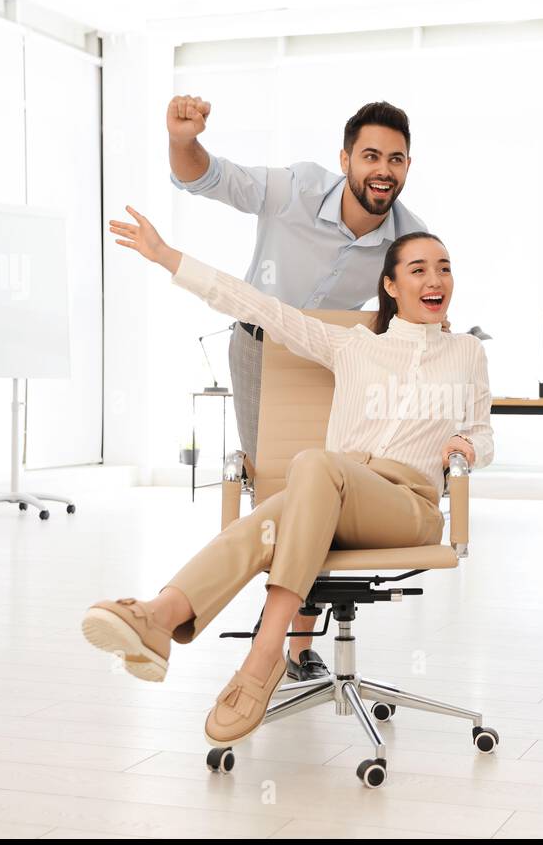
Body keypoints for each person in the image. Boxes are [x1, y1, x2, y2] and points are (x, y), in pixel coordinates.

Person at [83, 209, 493, 748]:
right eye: (417, 270)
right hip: (325, 498)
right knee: (286, 504)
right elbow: (257, 307)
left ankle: (260, 648)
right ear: (390, 286)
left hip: (406, 507)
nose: (435, 279)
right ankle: (162, 619)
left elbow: (482, 434)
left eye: (444, 268)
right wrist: (167, 258)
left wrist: (468, 446)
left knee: (312, 466)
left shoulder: (466, 350)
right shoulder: (353, 346)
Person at [167, 96, 427, 682]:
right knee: (275, 485)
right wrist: (184, 140)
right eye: (370, 156)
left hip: (331, 359)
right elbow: (206, 177)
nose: (383, 169)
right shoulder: (294, 189)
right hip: (261, 347)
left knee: (324, 491)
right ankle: (274, 631)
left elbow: (415, 315)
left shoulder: (409, 235)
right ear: (345, 159)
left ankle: (296, 646)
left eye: (397, 159)